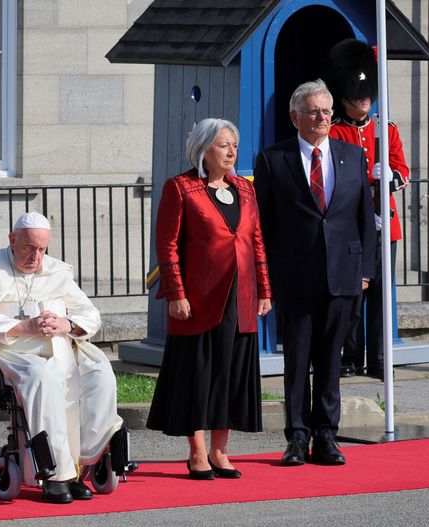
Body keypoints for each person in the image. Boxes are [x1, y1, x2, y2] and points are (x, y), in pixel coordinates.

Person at [0, 212, 124, 504]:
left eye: (42, 249)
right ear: (12, 240)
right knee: (43, 375)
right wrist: (24, 327)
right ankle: (53, 473)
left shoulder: (57, 272)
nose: (36, 257)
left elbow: (90, 314)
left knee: (100, 372)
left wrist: (67, 324)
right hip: (10, 349)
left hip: (61, 345)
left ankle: (85, 461)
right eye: (29, 248)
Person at [253, 80, 375, 466]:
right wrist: (265, 279)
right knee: (297, 361)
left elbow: (364, 220)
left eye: (326, 111)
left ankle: (326, 436)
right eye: (313, 111)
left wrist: (366, 271)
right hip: (294, 277)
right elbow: (263, 226)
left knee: (330, 360)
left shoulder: (352, 156)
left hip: (343, 275)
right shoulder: (274, 160)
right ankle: (296, 438)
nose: (322, 117)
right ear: (295, 117)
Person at [146, 118, 272, 480]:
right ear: (203, 149)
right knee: (199, 374)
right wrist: (176, 293)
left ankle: (220, 450)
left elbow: (257, 241)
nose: (231, 151)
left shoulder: (246, 191)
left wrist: (265, 289)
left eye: (234, 144)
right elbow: (167, 245)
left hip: (241, 295)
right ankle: (197, 451)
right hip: (198, 298)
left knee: (231, 374)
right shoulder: (181, 188)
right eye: (223, 145)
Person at [324, 39, 410, 380]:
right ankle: (348, 356)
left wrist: (389, 178)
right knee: (350, 295)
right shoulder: (335, 132)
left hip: (383, 224)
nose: (364, 103)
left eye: (367, 97)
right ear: (345, 99)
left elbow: (404, 172)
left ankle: (376, 358)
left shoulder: (386, 130)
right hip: (350, 226)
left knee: (380, 297)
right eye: (358, 98)